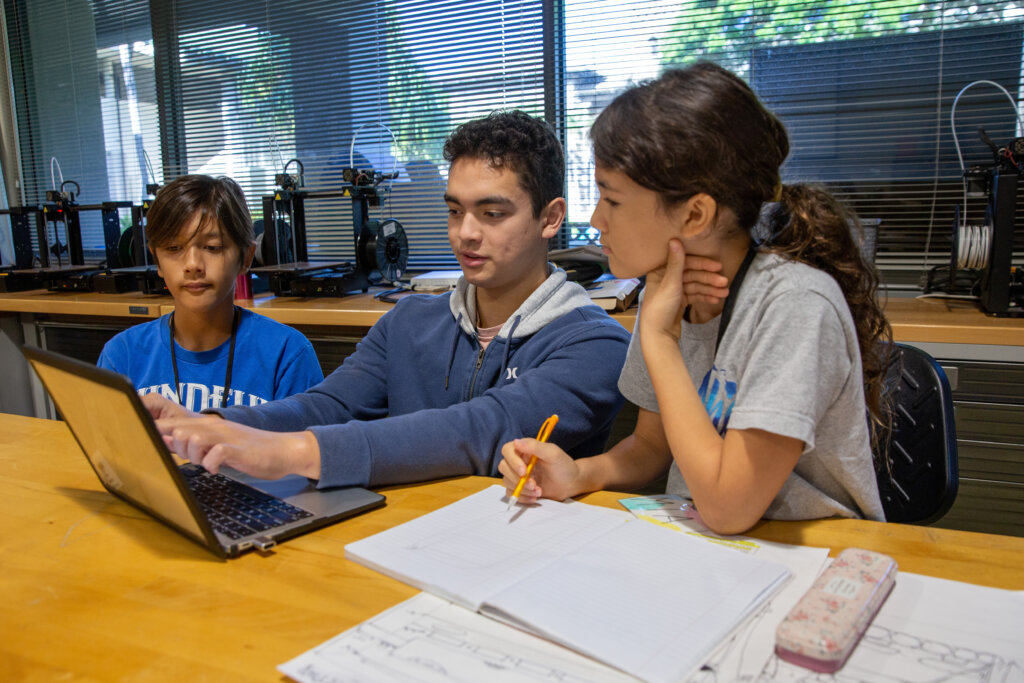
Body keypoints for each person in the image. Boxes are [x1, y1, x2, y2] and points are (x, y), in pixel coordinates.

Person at [141, 111, 670, 489]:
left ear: (551, 218)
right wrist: (211, 428)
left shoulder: (592, 342)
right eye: (454, 210)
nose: (465, 233)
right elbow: (327, 405)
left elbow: (477, 430)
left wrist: (292, 452)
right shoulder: (411, 319)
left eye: (492, 213)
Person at [499, 63, 892, 535]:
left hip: (813, 553)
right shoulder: (667, 289)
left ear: (696, 214)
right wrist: (578, 474)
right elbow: (651, 448)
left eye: (613, 199)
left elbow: (729, 508)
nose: (597, 218)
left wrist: (661, 341)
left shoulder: (796, 304)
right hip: (716, 547)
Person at [98, 175, 323, 409]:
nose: (193, 264)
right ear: (157, 261)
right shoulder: (121, 356)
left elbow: (304, 443)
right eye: (174, 248)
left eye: (212, 248)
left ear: (245, 257)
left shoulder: (287, 355)